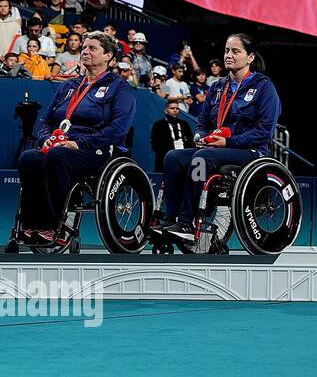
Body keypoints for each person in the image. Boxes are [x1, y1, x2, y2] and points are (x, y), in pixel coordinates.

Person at [158, 33, 282, 243]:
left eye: (235, 51)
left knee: (202, 158)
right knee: (173, 157)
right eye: (226, 50)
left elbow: (264, 132)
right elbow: (203, 122)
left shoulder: (263, 87)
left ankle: (187, 222)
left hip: (250, 152)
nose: (229, 55)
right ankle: (171, 219)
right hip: (215, 149)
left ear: (250, 57)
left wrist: (228, 142)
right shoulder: (217, 87)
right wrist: (201, 136)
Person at [15, 32, 135, 244]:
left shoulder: (119, 87)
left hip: (94, 150)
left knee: (58, 156)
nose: (85, 51)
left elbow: (119, 128)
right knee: (29, 158)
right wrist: (46, 139)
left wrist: (80, 143)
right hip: (59, 146)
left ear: (108, 56)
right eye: (84, 47)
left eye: (92, 48)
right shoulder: (69, 86)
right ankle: (31, 224)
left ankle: (53, 226)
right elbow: (46, 120)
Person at [151, 98, 194, 171]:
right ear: (166, 110)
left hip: (183, 159)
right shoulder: (159, 125)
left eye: (177, 108)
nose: (175, 110)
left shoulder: (184, 124)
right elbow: (155, 145)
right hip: (165, 160)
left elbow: (191, 142)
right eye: (172, 108)